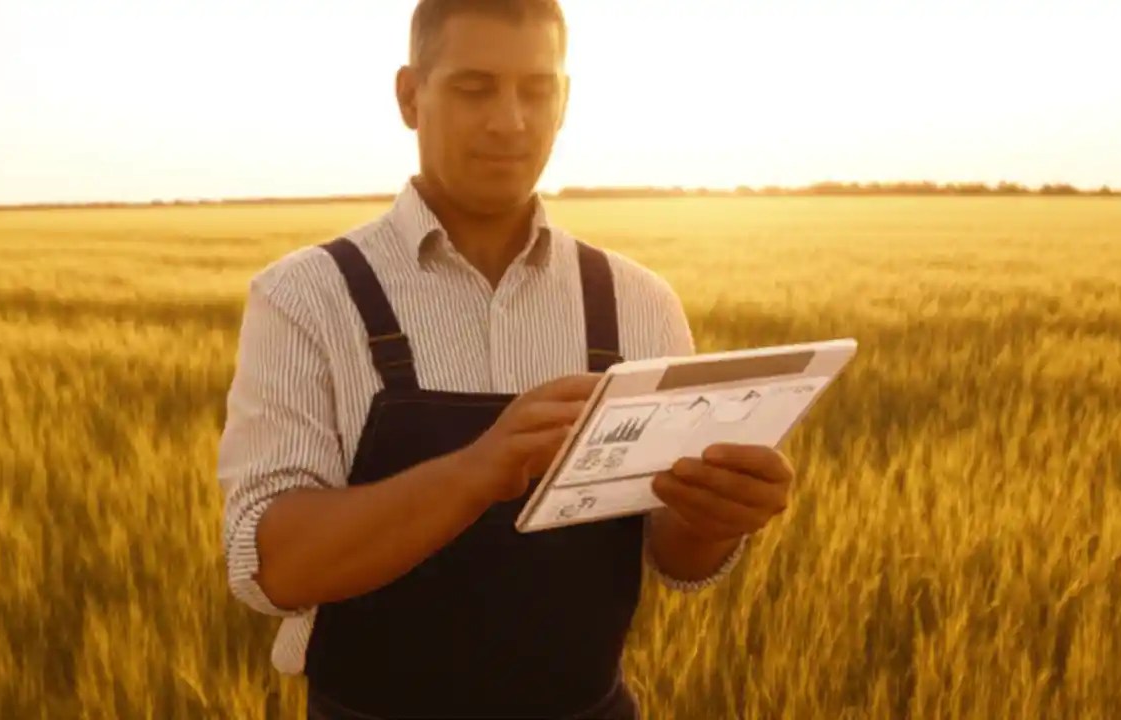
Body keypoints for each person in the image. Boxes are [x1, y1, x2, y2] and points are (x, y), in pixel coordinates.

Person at [216, 1, 796, 717]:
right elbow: (272, 565)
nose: (510, 121)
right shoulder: (306, 296)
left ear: (566, 101)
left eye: (537, 90)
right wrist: (477, 472)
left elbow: (674, 559)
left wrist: (717, 515)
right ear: (409, 96)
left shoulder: (638, 302)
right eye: (473, 87)